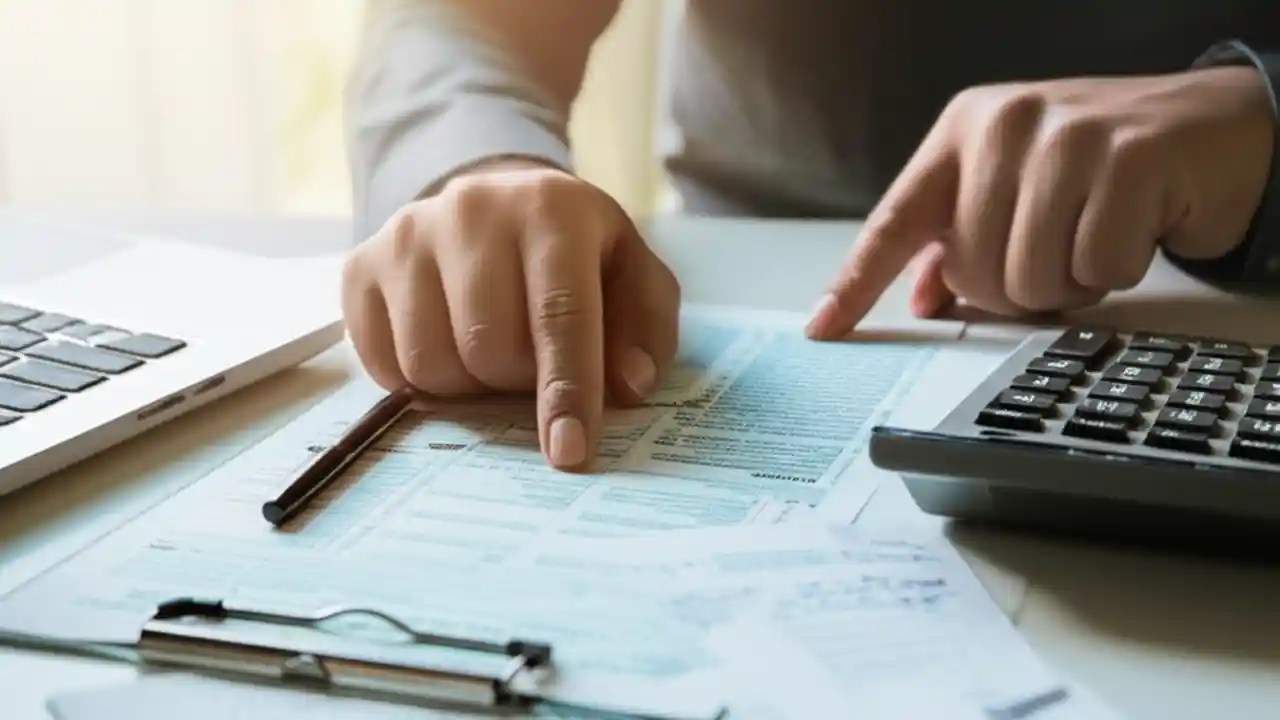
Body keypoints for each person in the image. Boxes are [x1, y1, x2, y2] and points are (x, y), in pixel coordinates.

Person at [341, 1, 1279, 471]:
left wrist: (1262, 109)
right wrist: (479, 166)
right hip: (742, 296)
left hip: (1226, 299)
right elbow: (465, 19)